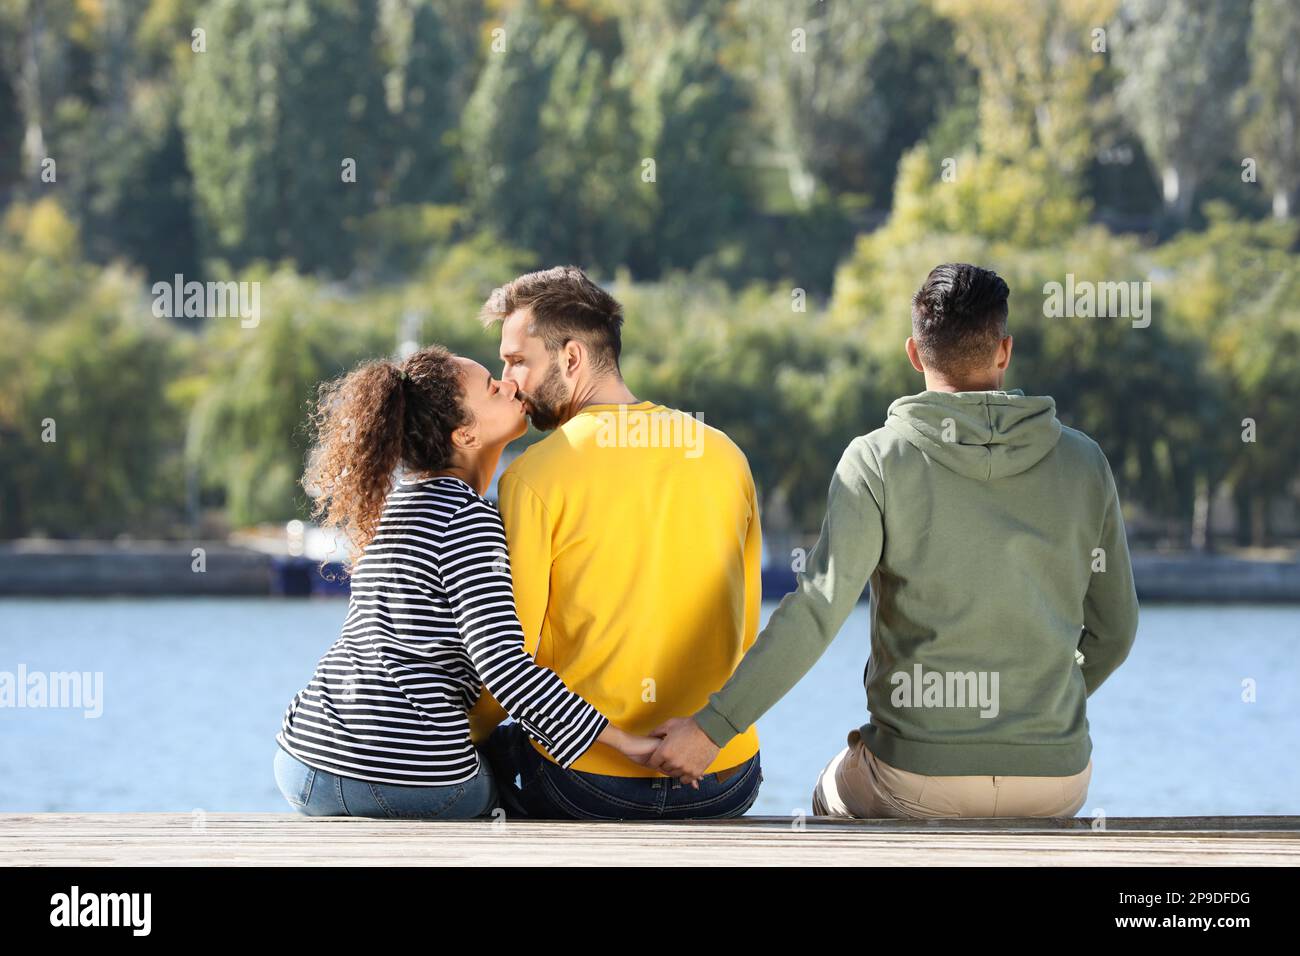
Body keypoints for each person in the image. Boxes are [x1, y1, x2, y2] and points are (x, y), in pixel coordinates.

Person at [650, 262, 1140, 819]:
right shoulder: (1083, 462)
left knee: (828, 791)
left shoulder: (877, 460)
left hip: (918, 776)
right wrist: (1040, 712)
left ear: (914, 353)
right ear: (1004, 350)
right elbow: (1116, 631)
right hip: (1057, 779)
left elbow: (816, 613)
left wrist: (712, 729)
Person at [274, 344, 656, 819]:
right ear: (466, 433)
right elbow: (504, 668)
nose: (511, 385)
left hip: (304, 761)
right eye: (495, 390)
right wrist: (627, 743)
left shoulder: (395, 506)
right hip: (409, 777)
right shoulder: (466, 519)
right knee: (527, 770)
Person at [471, 265, 764, 819]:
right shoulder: (725, 455)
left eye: (517, 361)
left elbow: (509, 658)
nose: (507, 380)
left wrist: (462, 732)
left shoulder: (533, 476)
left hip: (586, 782)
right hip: (722, 775)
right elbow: (745, 627)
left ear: (572, 358)